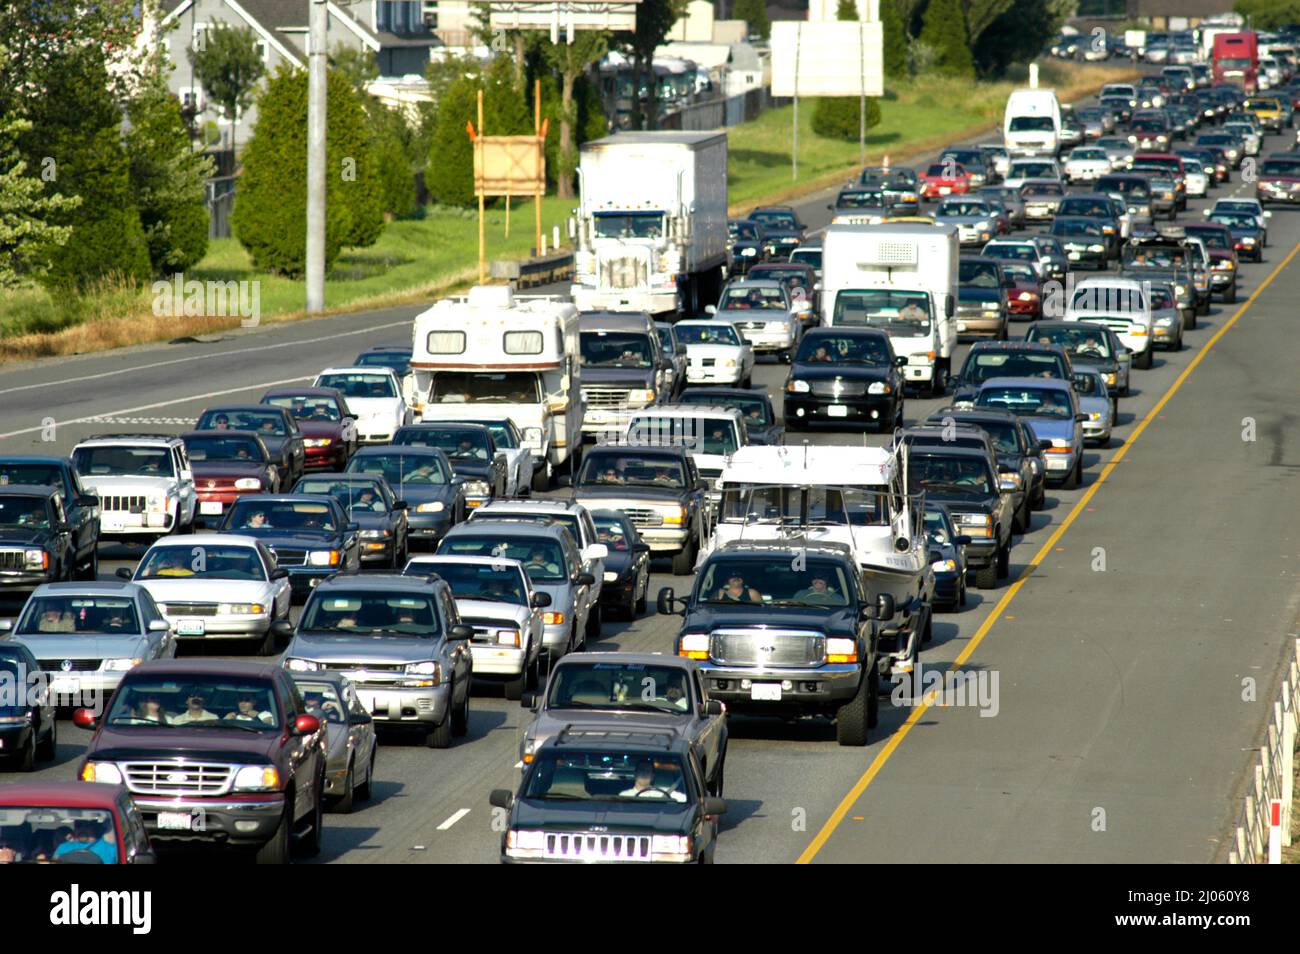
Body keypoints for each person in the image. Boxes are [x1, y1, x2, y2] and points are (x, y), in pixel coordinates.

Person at [52, 820, 117, 864]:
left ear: (95, 828)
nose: (82, 829)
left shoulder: (110, 849)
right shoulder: (63, 847)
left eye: (87, 826)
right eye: (79, 825)